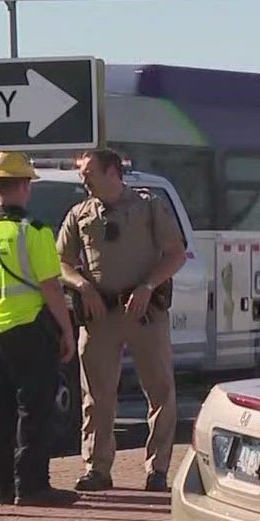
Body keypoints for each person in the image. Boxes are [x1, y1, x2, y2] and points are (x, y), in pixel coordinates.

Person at [57, 148, 185, 494]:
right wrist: (82, 286)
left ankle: (157, 469)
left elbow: (176, 253)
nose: (83, 179)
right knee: (96, 396)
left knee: (160, 391)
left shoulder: (148, 206)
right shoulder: (80, 213)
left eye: (89, 172)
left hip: (145, 313)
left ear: (113, 172)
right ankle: (96, 468)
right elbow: (61, 262)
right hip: (101, 315)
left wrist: (148, 286)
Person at [0, 153, 79, 505]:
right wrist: (67, 332)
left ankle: (1, 487)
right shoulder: (35, 231)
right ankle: (33, 486)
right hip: (30, 333)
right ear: (23, 187)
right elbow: (51, 287)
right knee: (35, 411)